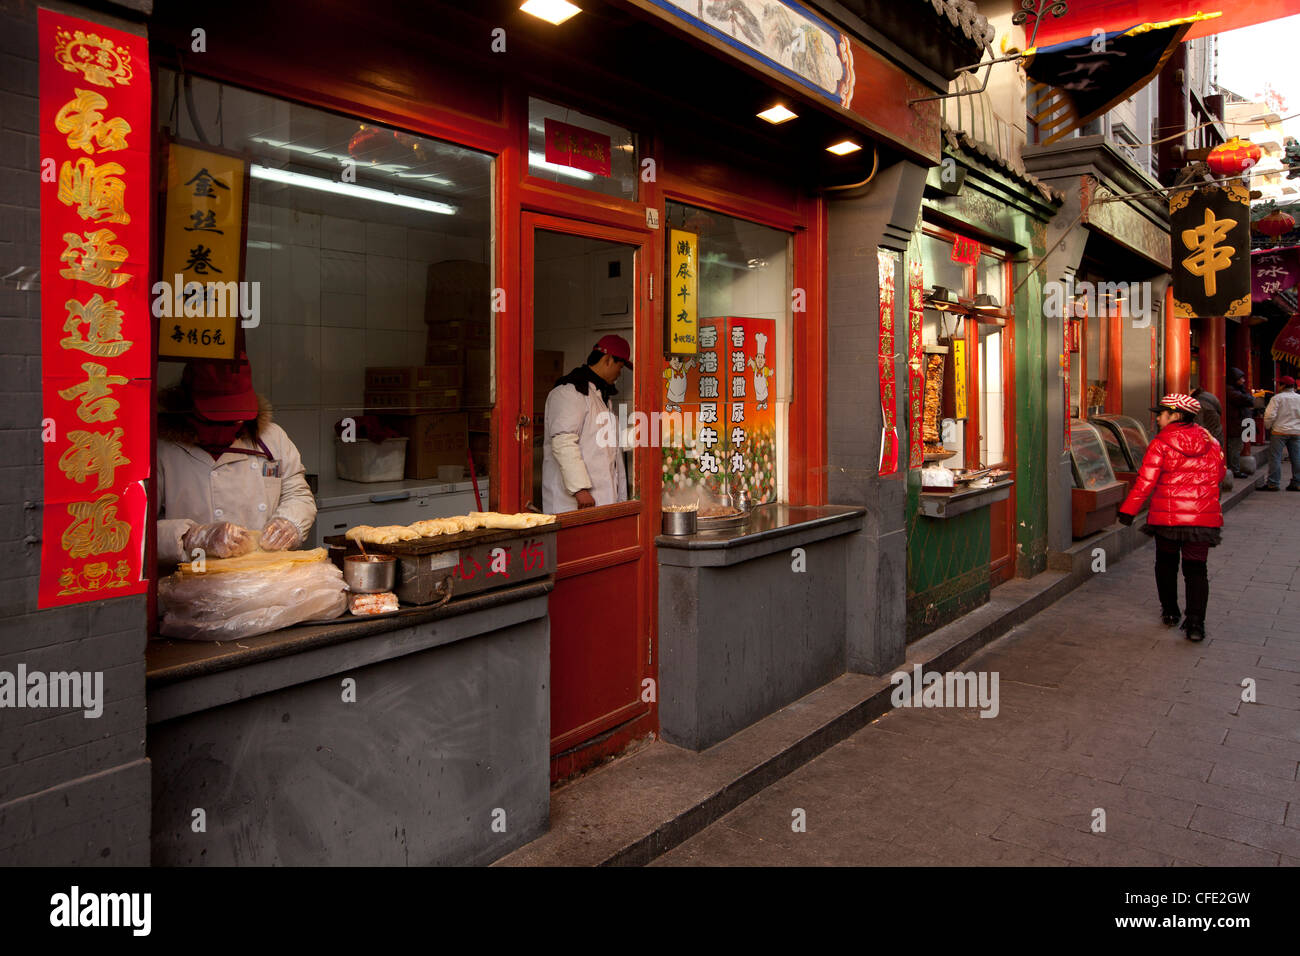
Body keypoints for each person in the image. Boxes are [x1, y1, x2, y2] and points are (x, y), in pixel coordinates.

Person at [157, 355, 316, 564]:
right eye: (216, 420)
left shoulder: (272, 438)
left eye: (236, 420)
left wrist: (289, 523)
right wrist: (191, 537)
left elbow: (297, 493)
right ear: (188, 407)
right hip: (190, 579)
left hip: (262, 574)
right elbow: (137, 529)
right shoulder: (161, 449)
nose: (229, 428)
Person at [1117, 394, 1225, 642]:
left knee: (1166, 564)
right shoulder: (1210, 441)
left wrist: (1128, 511)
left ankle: (1170, 612)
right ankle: (1196, 624)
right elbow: (1219, 476)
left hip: (1167, 518)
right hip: (1201, 519)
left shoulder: (1160, 443)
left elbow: (1146, 481)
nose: (1157, 419)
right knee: (1196, 570)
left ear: (1175, 415)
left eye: (1161, 414)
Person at [542, 334, 631, 513]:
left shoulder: (600, 396)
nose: (619, 374)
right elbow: (563, 442)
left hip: (600, 501)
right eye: (619, 367)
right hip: (574, 503)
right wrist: (580, 490)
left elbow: (604, 444)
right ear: (607, 360)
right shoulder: (570, 392)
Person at [1259, 375, 1300, 492]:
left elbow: (1270, 415)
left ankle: (1273, 483)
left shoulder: (1277, 398)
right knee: (1297, 458)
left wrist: (1268, 426)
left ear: (1282, 386)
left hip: (1279, 431)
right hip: (1296, 432)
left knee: (1275, 457)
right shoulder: (1299, 398)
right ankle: (1297, 482)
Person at [1224, 367, 1254, 478]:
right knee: (1235, 447)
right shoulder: (1230, 390)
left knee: (1237, 446)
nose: (1243, 381)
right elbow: (1247, 400)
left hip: (1241, 423)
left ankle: (1234, 468)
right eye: (1241, 378)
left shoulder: (1237, 389)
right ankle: (1234, 469)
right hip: (1235, 423)